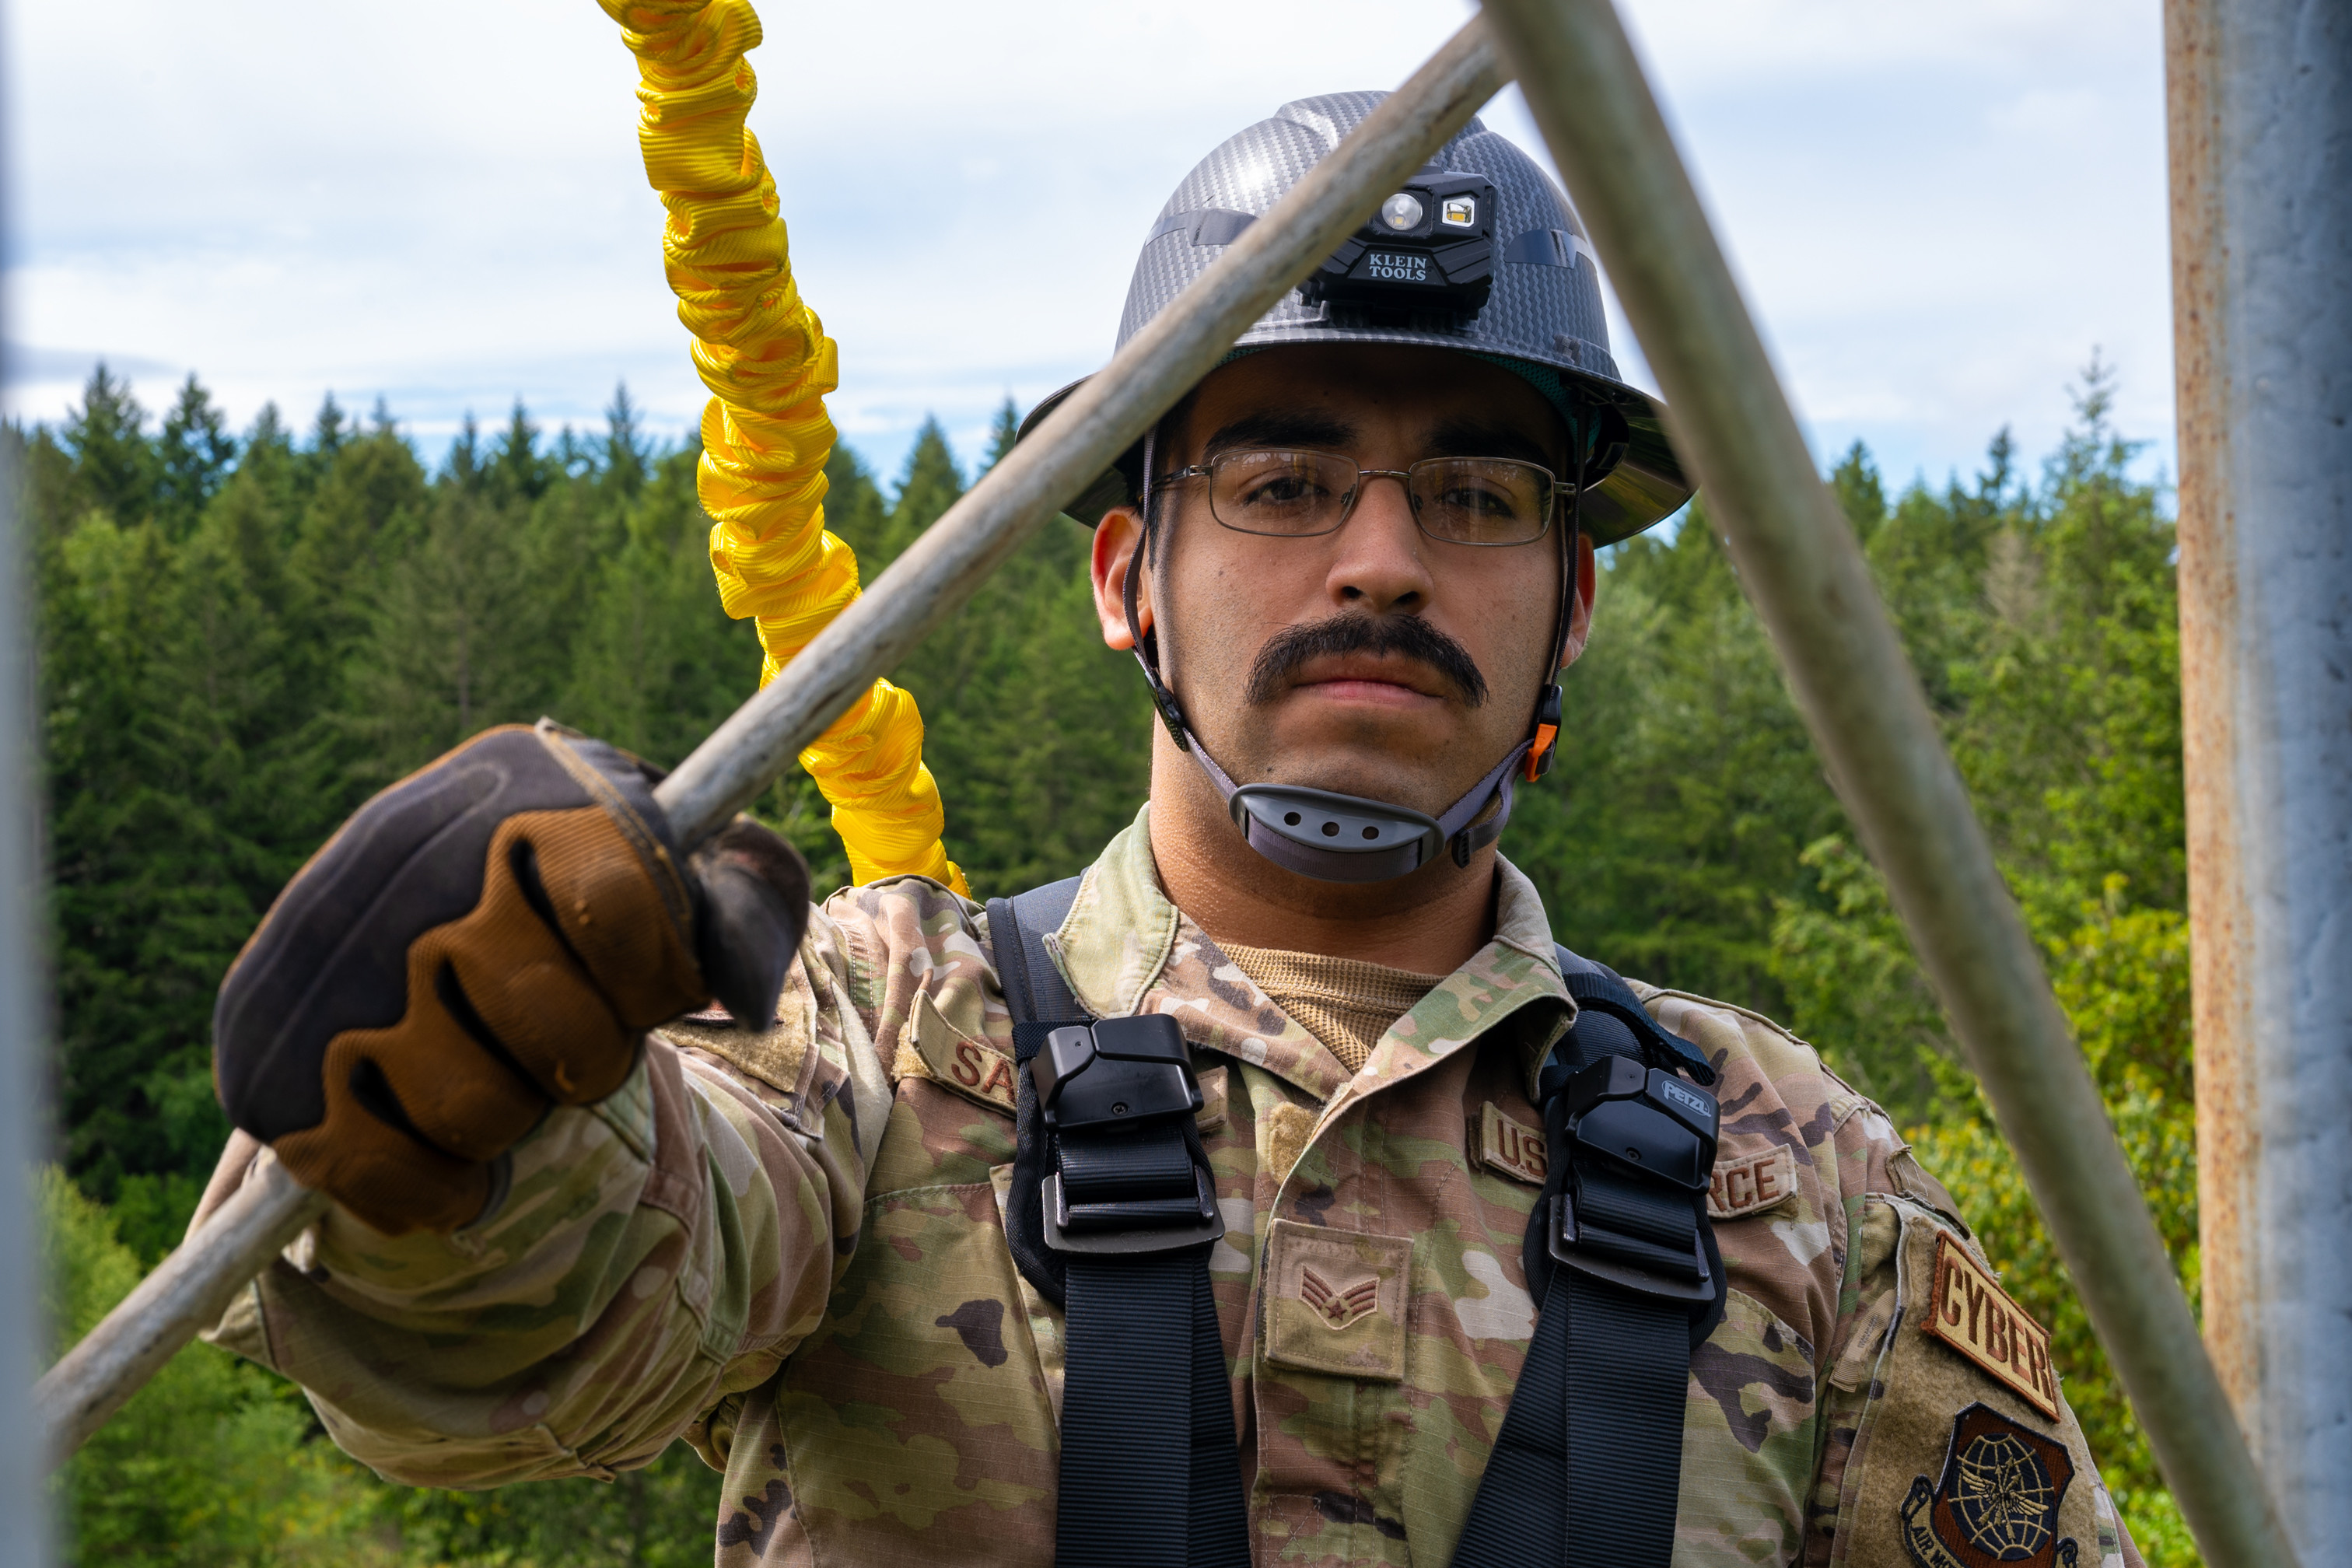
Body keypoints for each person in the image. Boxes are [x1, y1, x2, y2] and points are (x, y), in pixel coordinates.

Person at [198, 5, 2145, 1566]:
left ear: (1571, 612)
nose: (1380, 558)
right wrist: (473, 1117)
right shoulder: (880, 1039)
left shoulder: (1796, 1183)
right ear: (1130, 576)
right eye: (1285, 484)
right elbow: (524, 1337)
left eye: (1473, 498)